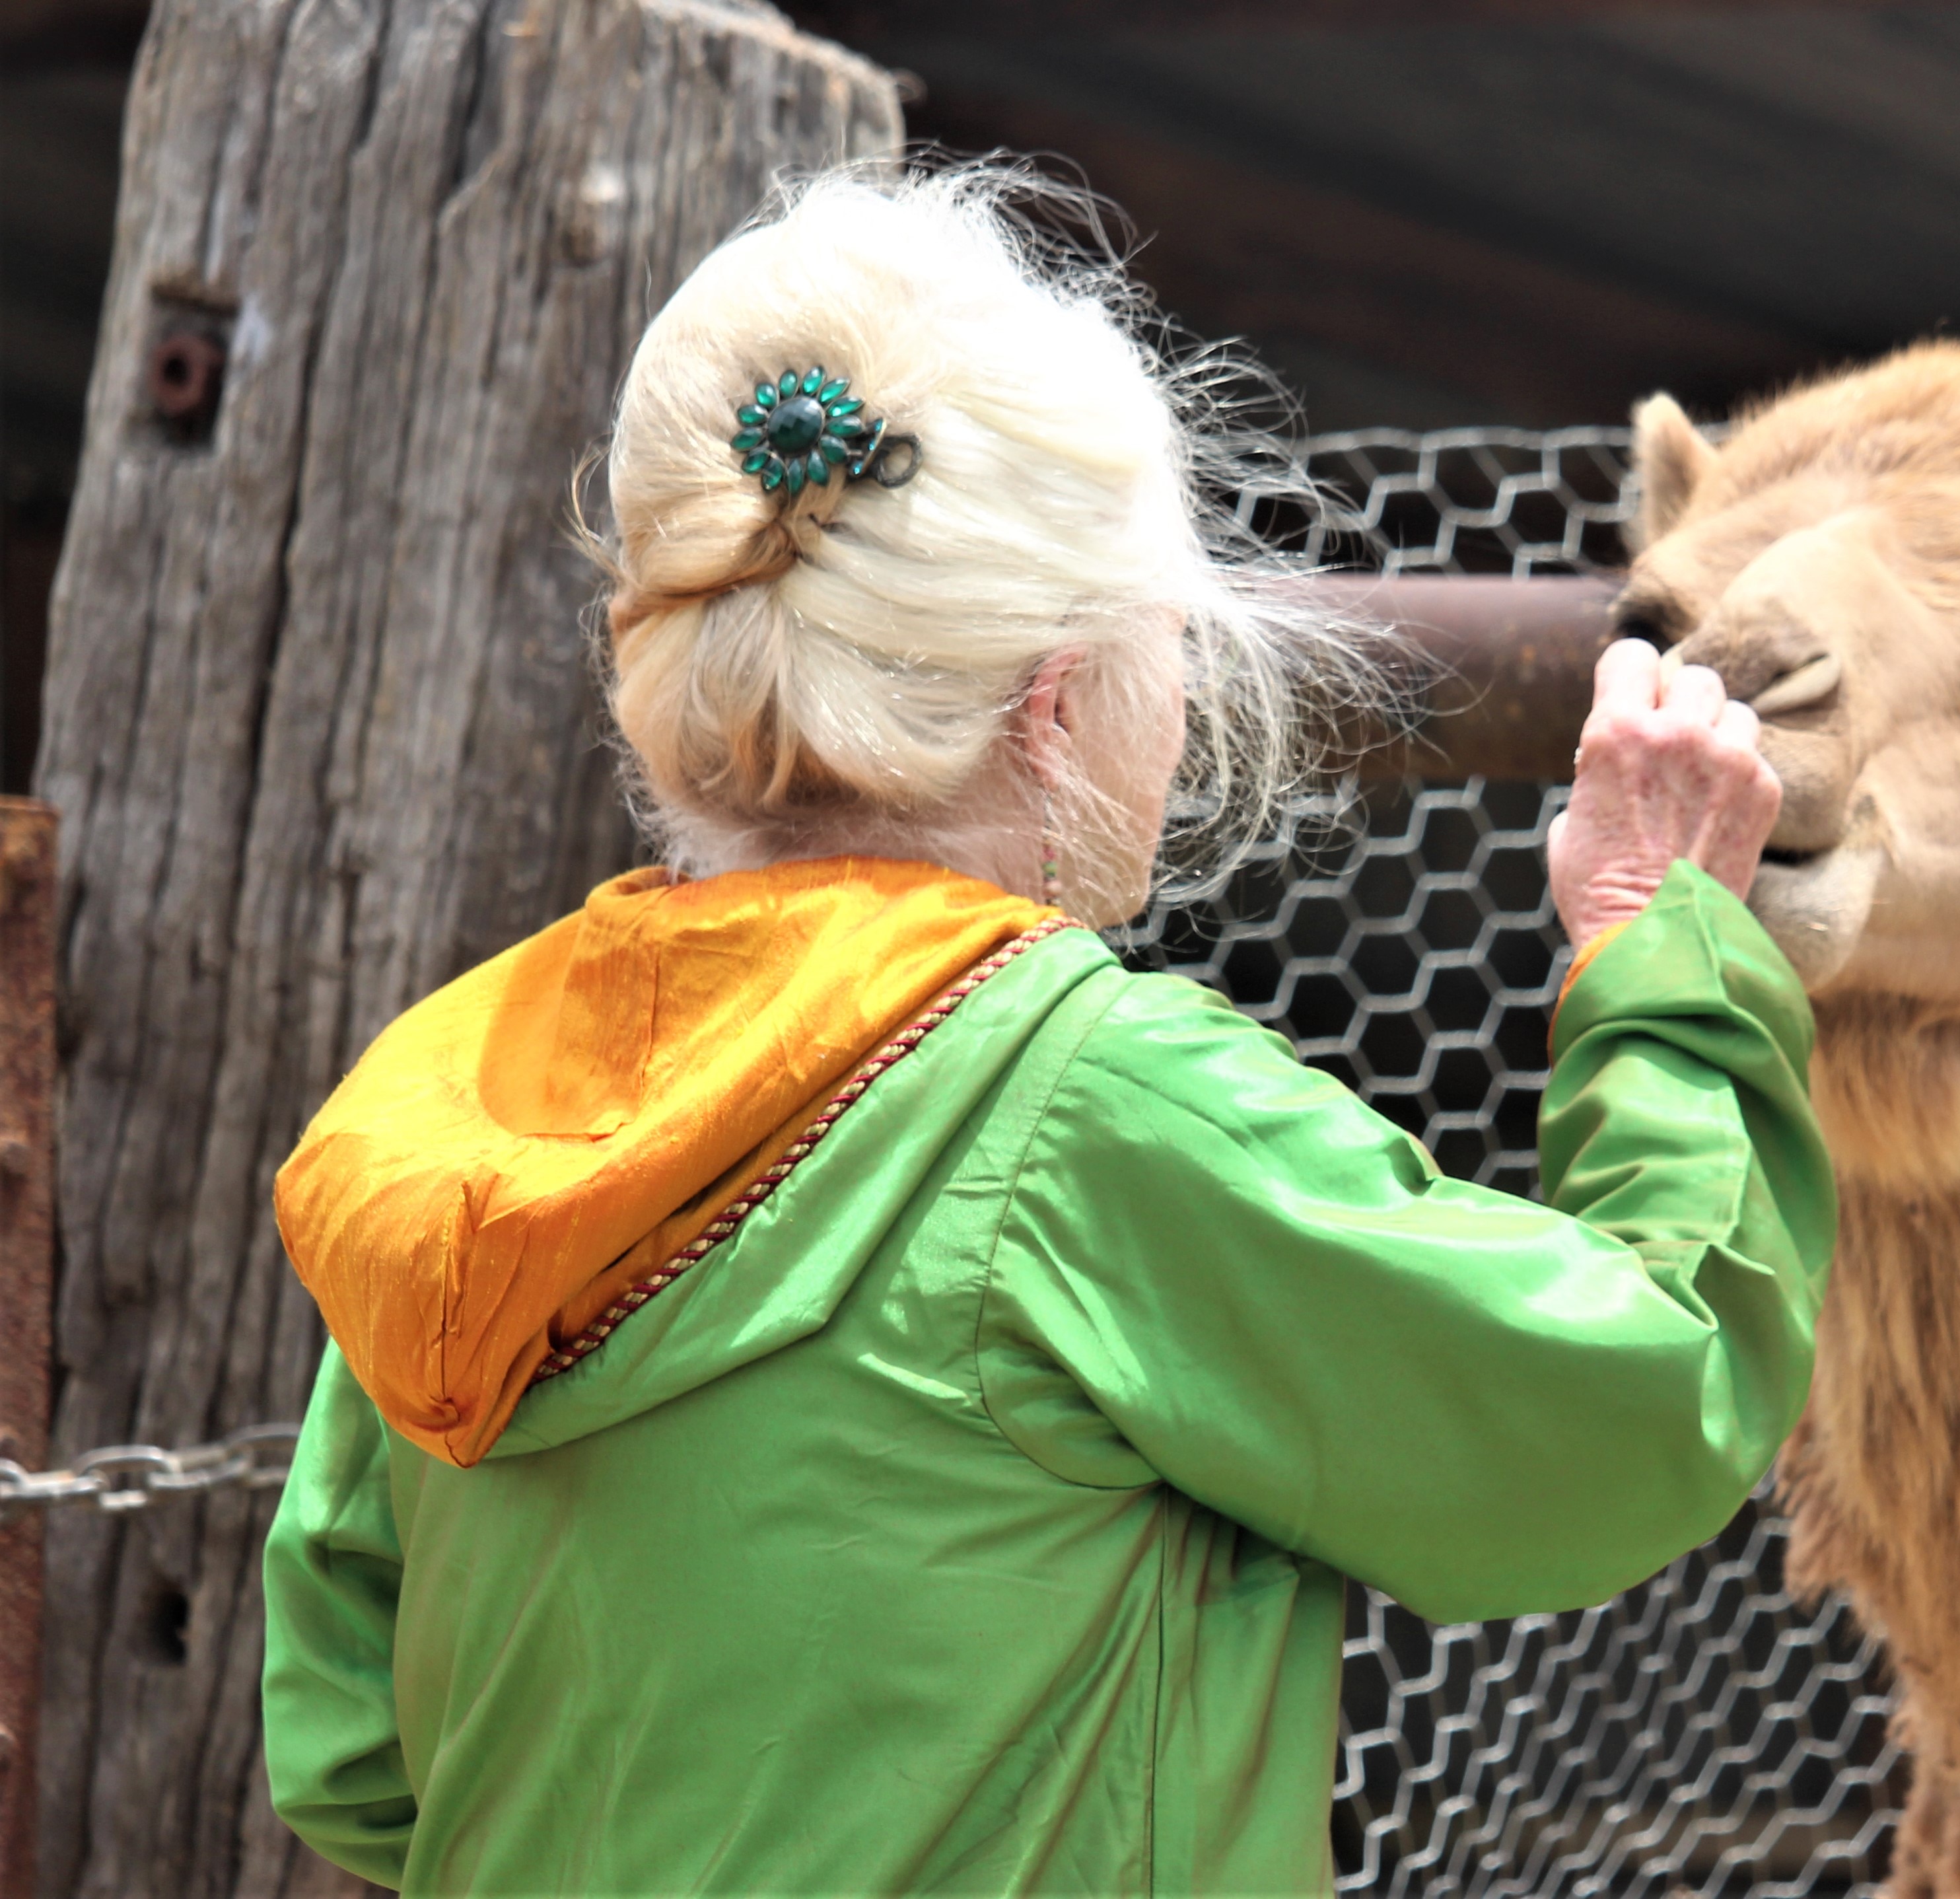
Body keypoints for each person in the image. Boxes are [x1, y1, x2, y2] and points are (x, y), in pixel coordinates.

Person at [260, 163, 1827, 1898]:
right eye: (1170, 638)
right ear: (1055, 701)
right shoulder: (1083, 1106)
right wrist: (1657, 939)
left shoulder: (472, 1113)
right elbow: (1635, 1401)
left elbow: (349, 1745)